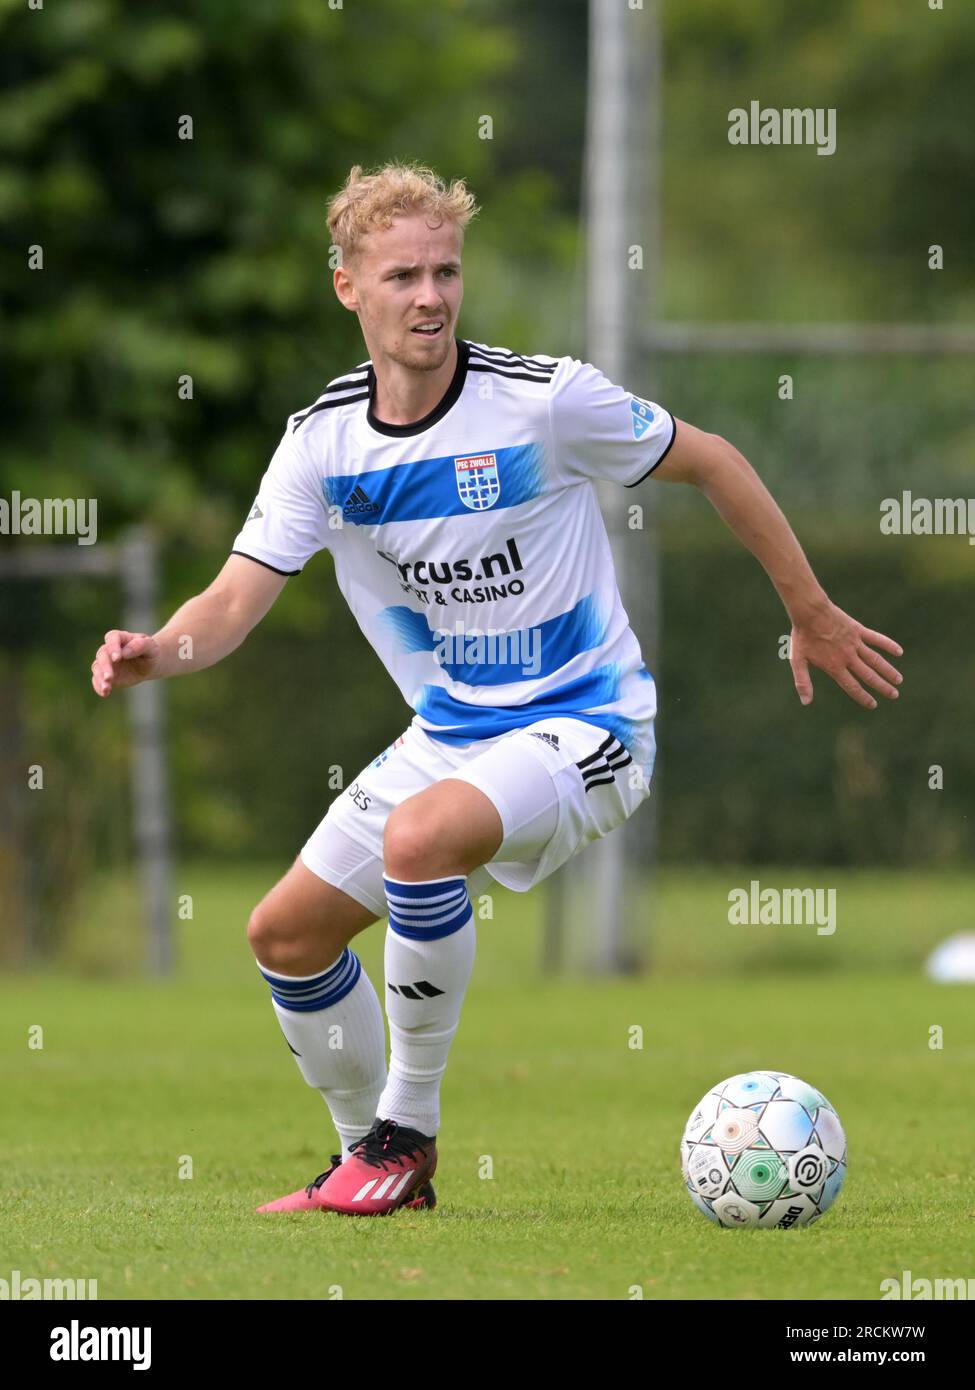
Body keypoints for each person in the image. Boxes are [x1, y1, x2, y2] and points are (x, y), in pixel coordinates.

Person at [90, 162, 903, 1216]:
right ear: (347, 286)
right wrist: (161, 650)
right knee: (283, 935)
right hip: (450, 734)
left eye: (446, 272)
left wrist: (812, 610)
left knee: (420, 840)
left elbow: (716, 461)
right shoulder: (320, 445)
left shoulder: (543, 403)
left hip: (589, 724)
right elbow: (234, 601)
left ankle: (406, 1131)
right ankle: (367, 1164)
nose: (429, 296)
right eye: (402, 276)